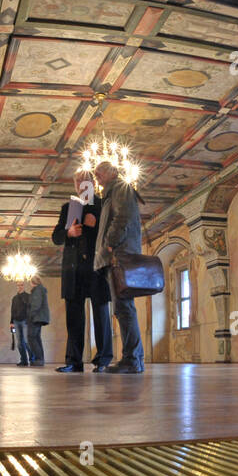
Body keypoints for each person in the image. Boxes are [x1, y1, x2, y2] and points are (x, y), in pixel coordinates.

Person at [51, 169, 112, 373]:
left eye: (85, 181)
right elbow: (56, 237)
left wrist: (95, 226)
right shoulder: (68, 207)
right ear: (75, 186)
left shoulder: (103, 205)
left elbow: (111, 234)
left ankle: (103, 360)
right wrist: (68, 232)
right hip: (73, 269)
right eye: (78, 182)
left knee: (101, 315)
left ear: (93, 183)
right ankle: (73, 361)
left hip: (97, 267)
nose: (81, 184)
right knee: (74, 316)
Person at [93, 160, 145, 373]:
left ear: (113, 171)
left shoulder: (121, 188)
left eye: (100, 173)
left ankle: (132, 359)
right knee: (123, 307)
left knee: (124, 307)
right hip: (114, 256)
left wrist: (110, 245)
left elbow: (122, 218)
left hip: (119, 255)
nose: (96, 177)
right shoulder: (111, 193)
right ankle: (133, 358)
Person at [27, 275, 49, 366]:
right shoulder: (40, 290)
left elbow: (36, 304)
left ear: (32, 282)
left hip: (36, 317)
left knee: (31, 337)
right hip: (39, 317)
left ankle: (39, 359)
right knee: (36, 338)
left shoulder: (37, 290)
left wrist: (31, 315)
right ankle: (40, 359)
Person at [10, 283, 30, 366]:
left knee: (26, 341)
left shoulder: (28, 296)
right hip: (16, 322)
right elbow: (12, 310)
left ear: (24, 286)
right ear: (16, 286)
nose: (20, 286)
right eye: (18, 285)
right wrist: (11, 322)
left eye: (21, 285)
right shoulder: (14, 298)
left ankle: (32, 359)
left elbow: (29, 308)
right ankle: (24, 360)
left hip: (25, 321)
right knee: (19, 343)